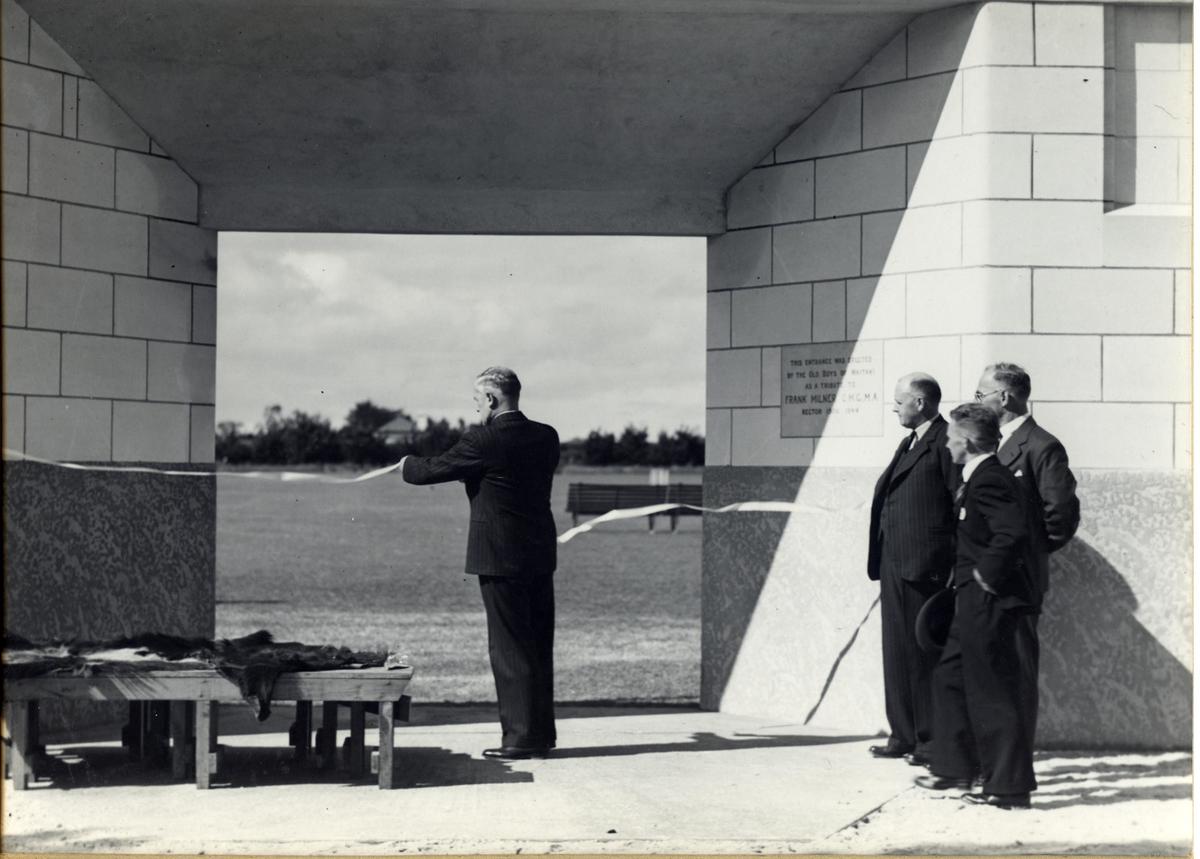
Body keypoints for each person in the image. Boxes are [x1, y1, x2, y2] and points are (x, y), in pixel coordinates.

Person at [399, 367, 560, 759]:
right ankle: (540, 734)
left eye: (476, 402)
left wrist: (404, 463)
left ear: (490, 399)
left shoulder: (483, 439)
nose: (475, 410)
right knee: (538, 645)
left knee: (509, 647)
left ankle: (520, 738)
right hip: (538, 553)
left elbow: (429, 471)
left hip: (499, 556)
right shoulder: (547, 436)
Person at [916, 403, 1039, 809]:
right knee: (949, 678)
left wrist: (986, 574)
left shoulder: (990, 479)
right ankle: (953, 768)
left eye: (951, 438)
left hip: (991, 601)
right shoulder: (978, 476)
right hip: (969, 600)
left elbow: (1012, 532)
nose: (947, 444)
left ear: (966, 443)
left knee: (993, 691)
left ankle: (1008, 789)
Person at [866, 373, 958, 766]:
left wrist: (953, 564)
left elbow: (960, 501)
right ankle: (902, 734)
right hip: (894, 564)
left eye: (898, 401)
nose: (894, 408)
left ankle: (930, 741)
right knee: (897, 654)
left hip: (926, 568)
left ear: (920, 403)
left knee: (923, 656)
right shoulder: (910, 442)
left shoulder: (947, 440)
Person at [973, 362, 1080, 597]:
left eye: (980, 394)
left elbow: (1061, 513)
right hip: (981, 572)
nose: (976, 402)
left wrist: (1027, 552)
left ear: (1003, 397)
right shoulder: (986, 442)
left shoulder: (1042, 445)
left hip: (1015, 579)